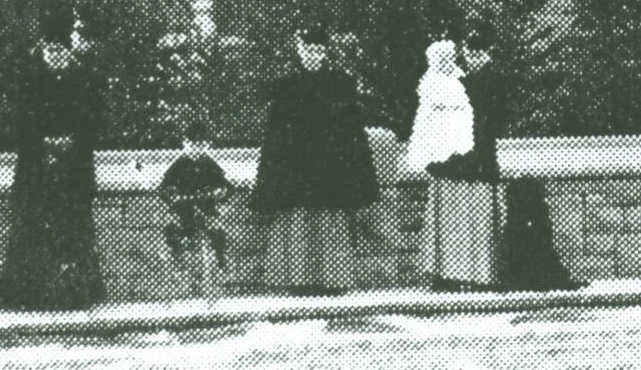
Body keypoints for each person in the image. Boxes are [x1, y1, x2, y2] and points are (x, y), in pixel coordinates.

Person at [249, 21, 380, 294]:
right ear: (298, 50)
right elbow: (274, 138)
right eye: (307, 49)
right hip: (296, 170)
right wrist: (272, 177)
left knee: (329, 219)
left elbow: (353, 134)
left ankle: (332, 280)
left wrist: (356, 174)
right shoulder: (284, 87)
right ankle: (297, 280)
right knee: (298, 219)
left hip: (329, 169)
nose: (313, 55)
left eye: (318, 50)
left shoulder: (340, 85)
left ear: (325, 52)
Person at [0, 37, 106, 310]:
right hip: (36, 170)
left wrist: (72, 142)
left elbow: (94, 119)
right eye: (51, 50)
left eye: (62, 50)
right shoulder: (29, 79)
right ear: (43, 50)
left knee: (73, 229)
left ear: (70, 52)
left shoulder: (84, 80)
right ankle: (28, 296)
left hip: (73, 170)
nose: (56, 56)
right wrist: (43, 144)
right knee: (33, 229)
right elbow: (20, 120)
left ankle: (75, 295)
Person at [410, 27, 502, 291]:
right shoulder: (457, 82)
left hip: (477, 160)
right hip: (451, 161)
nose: (474, 58)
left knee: (473, 221)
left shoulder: (491, 82)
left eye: (479, 53)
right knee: (454, 221)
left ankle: (478, 275)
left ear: (488, 54)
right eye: (470, 53)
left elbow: (490, 123)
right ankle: (450, 274)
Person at [159, 126, 236, 280]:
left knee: (217, 229)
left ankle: (221, 262)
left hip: (206, 206)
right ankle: (176, 260)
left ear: (206, 145)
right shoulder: (179, 164)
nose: (196, 149)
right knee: (170, 227)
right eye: (193, 145)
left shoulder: (208, 163)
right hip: (183, 208)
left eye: (201, 145)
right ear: (185, 144)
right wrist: (172, 196)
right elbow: (163, 187)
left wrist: (218, 193)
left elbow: (226, 186)